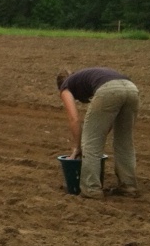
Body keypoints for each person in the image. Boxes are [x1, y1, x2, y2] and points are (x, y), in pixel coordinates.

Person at [56, 67, 140, 198]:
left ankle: (91, 189)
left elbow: (74, 119)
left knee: (90, 143)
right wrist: (100, 134)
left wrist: (77, 148)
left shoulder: (65, 86)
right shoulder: (88, 78)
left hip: (109, 91)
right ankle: (128, 186)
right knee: (124, 142)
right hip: (131, 89)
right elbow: (108, 122)